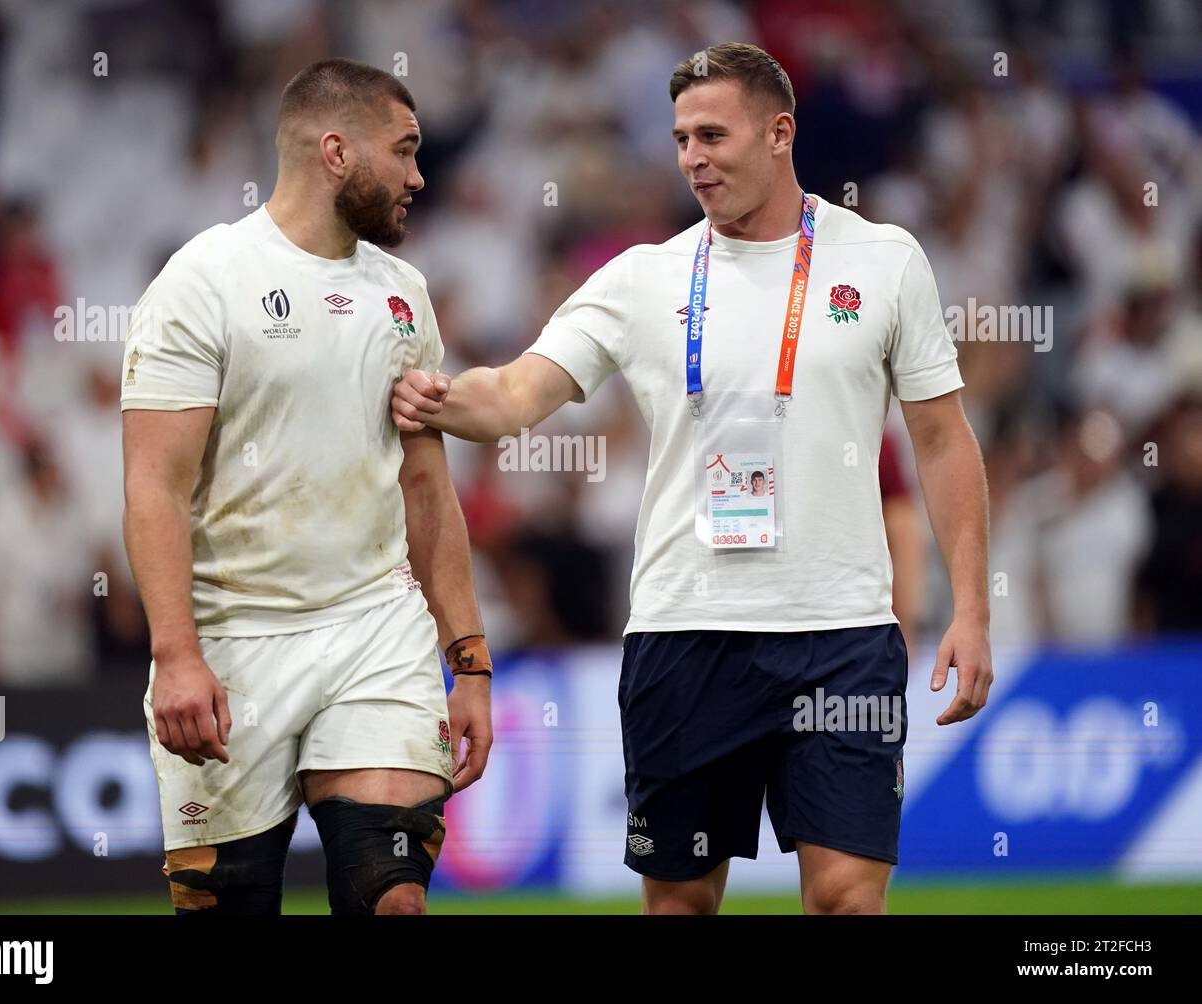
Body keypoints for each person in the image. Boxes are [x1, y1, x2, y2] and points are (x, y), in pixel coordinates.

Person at [391, 43, 993, 915]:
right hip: (683, 637)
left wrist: (969, 609)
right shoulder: (643, 278)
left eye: (713, 134)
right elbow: (515, 395)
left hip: (843, 637)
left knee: (847, 901)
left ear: (780, 132)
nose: (692, 158)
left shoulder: (884, 260)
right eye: (680, 139)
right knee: (679, 906)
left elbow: (943, 441)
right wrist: (438, 395)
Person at [122, 58, 492, 916]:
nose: (417, 175)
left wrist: (467, 660)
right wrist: (176, 654)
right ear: (336, 152)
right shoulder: (202, 281)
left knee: (389, 898)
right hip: (231, 641)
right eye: (404, 151)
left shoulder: (403, 295)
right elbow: (153, 487)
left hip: (374, 630)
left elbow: (427, 489)